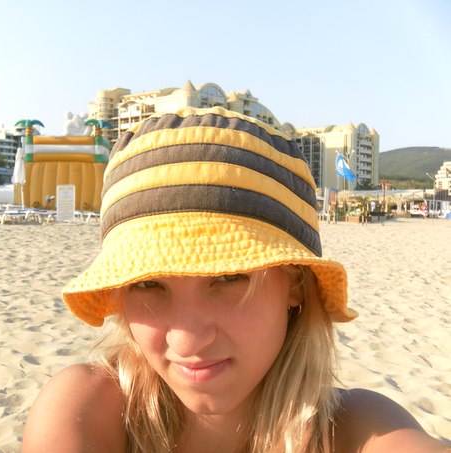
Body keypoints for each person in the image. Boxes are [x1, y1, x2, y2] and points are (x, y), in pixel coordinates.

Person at [22, 107, 449, 453]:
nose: (187, 341)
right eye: (147, 284)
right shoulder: (86, 409)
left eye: (228, 277)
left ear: (296, 286)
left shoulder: (355, 430)